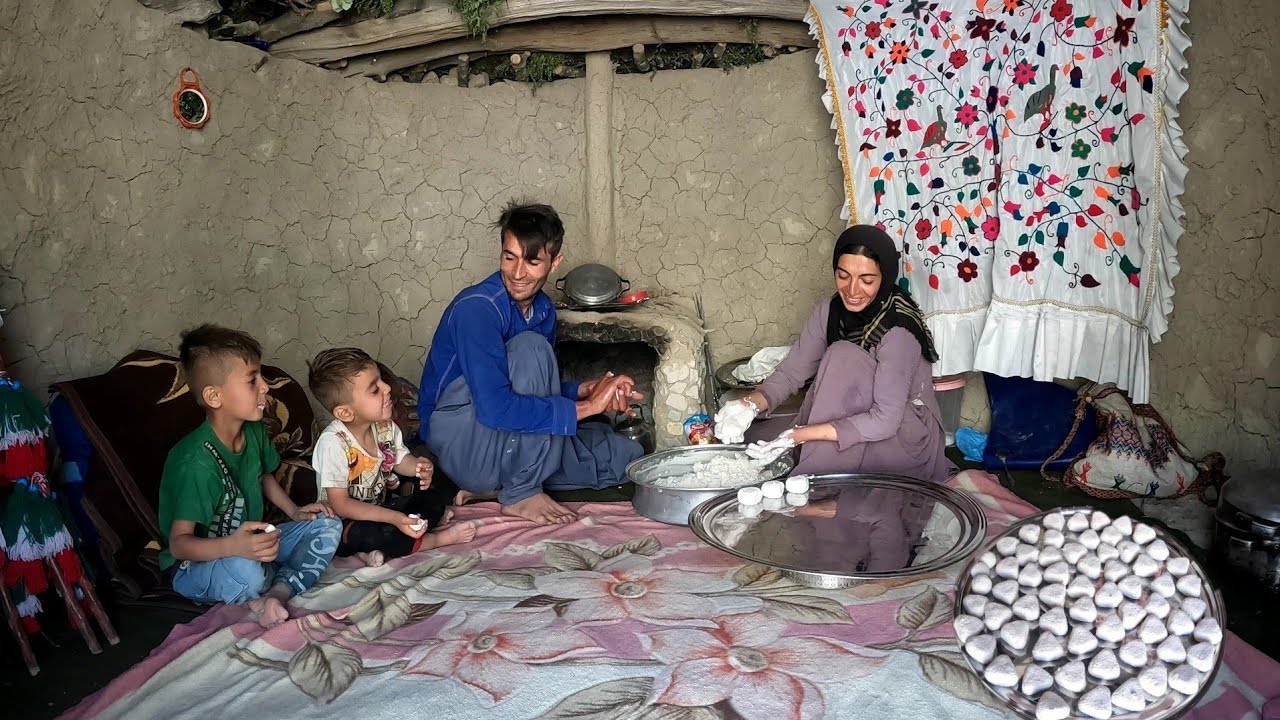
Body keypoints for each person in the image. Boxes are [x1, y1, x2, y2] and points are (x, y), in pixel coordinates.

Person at [417, 201, 645, 525]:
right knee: (531, 349)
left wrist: (584, 391)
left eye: (532, 260)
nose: (517, 272)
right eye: (509, 257)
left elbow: (534, 386)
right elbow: (495, 407)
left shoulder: (543, 311)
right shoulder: (478, 309)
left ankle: (492, 488)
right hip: (461, 442)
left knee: (623, 457)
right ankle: (520, 492)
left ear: (555, 263)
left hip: (505, 441)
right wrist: (587, 408)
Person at [715, 224, 950, 483]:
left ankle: (820, 484)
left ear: (885, 277)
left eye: (867, 280)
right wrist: (750, 404)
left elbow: (885, 420)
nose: (852, 290)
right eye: (843, 275)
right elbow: (792, 373)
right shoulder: (830, 311)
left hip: (901, 435)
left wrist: (800, 435)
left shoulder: (898, 331)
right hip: (849, 416)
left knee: (842, 357)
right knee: (754, 442)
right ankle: (819, 475)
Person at [158, 325, 341, 628]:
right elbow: (179, 545)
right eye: (252, 379)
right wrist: (235, 547)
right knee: (248, 571)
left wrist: (294, 512)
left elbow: (264, 475)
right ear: (215, 396)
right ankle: (270, 583)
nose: (266, 387)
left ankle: (278, 593)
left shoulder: (253, 429)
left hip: (252, 545)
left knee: (328, 524)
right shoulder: (195, 463)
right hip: (198, 564)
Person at [308, 348, 477, 567]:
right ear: (346, 413)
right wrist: (396, 519)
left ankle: (373, 550)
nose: (387, 388)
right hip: (343, 523)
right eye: (374, 389)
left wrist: (418, 467)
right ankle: (435, 539)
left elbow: (400, 460)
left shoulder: (385, 427)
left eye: (381, 381)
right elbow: (340, 505)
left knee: (434, 501)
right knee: (373, 533)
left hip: (382, 509)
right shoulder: (334, 443)